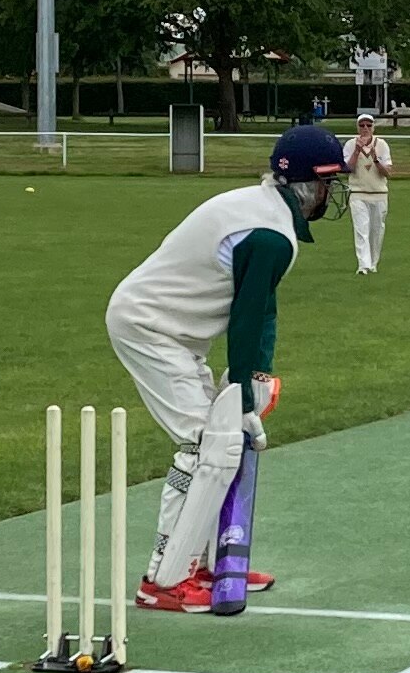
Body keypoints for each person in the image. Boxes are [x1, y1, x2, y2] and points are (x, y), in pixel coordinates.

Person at [109, 124, 347, 614]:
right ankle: (164, 580)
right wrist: (239, 393)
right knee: (206, 445)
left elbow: (263, 310)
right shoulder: (269, 235)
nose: (333, 193)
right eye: (330, 183)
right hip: (149, 326)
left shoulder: (268, 217)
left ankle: (218, 567)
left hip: (178, 334)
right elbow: (244, 318)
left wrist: (255, 378)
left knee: (223, 443)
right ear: (310, 184)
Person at [343, 107, 398, 274]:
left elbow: (387, 172)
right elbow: (348, 168)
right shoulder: (350, 144)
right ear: (357, 127)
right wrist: (357, 151)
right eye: (362, 125)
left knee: (376, 230)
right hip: (357, 193)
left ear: (373, 127)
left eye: (368, 125)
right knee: (361, 229)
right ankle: (363, 265)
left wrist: (375, 157)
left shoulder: (381, 145)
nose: (365, 128)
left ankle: (373, 262)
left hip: (379, 193)